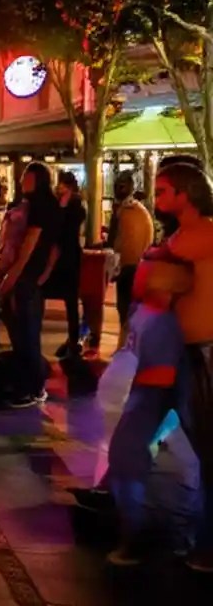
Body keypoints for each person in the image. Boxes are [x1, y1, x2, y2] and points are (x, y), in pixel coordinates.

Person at [104, 255, 192, 565]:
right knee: (125, 464)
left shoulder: (164, 323)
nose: (143, 270)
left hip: (143, 401)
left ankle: (135, 541)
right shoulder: (143, 312)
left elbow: (161, 376)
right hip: (134, 401)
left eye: (151, 266)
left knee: (129, 464)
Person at [152, 162, 213, 572]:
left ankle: (207, 546)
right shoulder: (184, 235)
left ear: (184, 195)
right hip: (185, 350)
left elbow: (156, 272)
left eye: (161, 191)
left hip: (203, 353)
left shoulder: (200, 234)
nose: (155, 199)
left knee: (208, 447)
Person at [0, 162, 63, 408]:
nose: (22, 181)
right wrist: (43, 274)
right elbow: (55, 249)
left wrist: (10, 279)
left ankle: (33, 388)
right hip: (30, 277)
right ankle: (27, 385)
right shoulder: (48, 206)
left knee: (25, 335)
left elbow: (29, 249)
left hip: (24, 278)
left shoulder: (39, 208)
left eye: (27, 177)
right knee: (23, 334)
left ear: (38, 180)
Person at [109, 171, 155, 347]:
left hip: (129, 265)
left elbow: (115, 241)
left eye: (122, 186)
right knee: (133, 309)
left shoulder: (124, 211)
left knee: (126, 308)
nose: (119, 189)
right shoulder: (140, 210)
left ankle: (126, 346)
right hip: (140, 264)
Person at [44, 171, 87, 359]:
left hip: (66, 256)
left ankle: (73, 339)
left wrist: (61, 206)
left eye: (62, 184)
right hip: (64, 256)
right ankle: (73, 338)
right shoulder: (61, 203)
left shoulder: (75, 206)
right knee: (67, 299)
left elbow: (62, 229)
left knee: (70, 299)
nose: (59, 188)